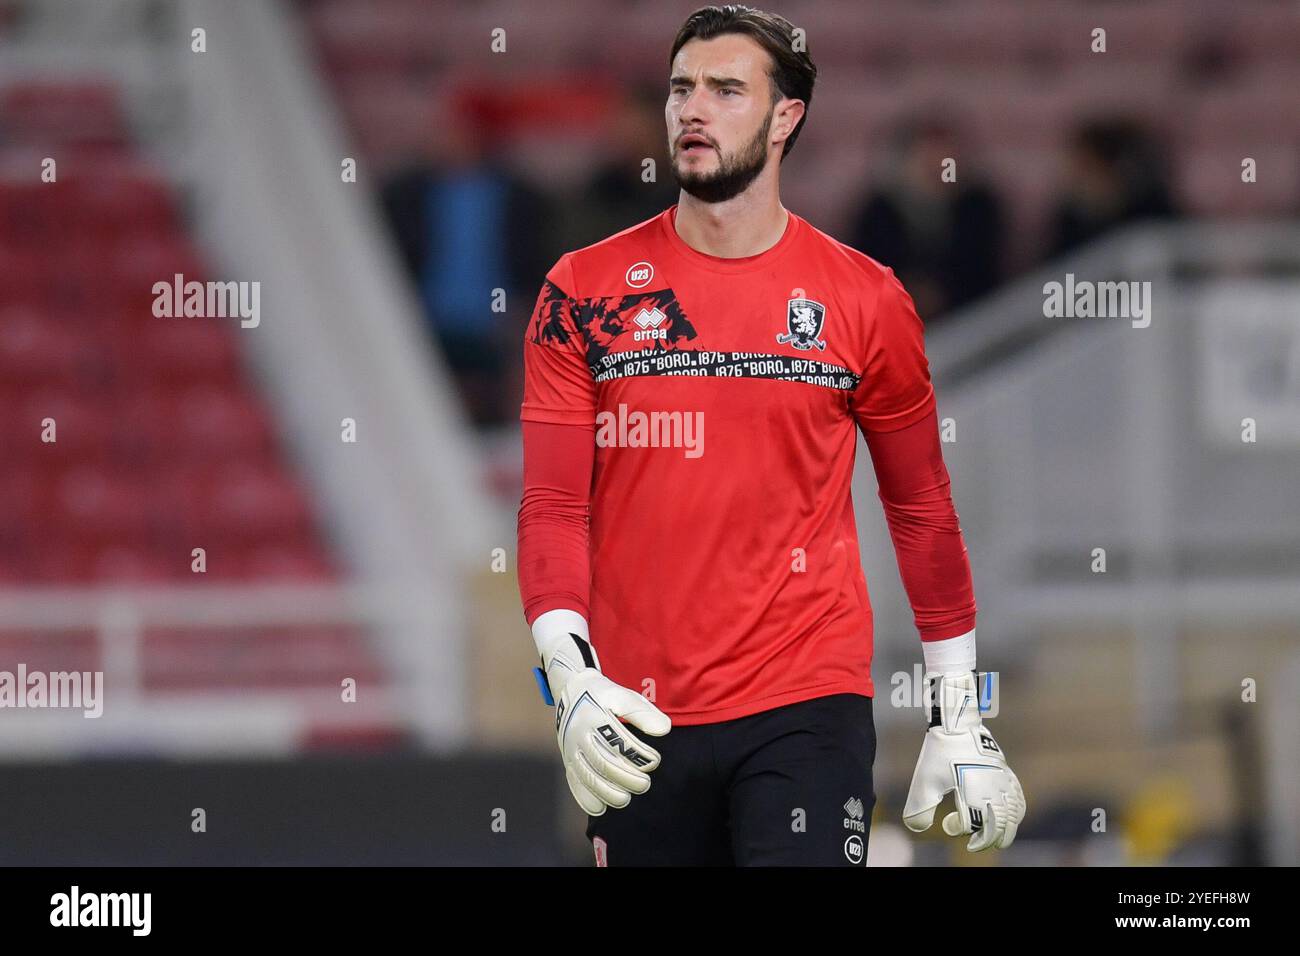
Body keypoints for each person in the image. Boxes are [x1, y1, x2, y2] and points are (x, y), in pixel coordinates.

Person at [515, 4, 1024, 866]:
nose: (692, 111)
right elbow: (553, 507)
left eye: (725, 89)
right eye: (681, 89)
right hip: (636, 715)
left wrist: (962, 713)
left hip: (806, 705)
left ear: (786, 116)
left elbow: (923, 511)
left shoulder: (866, 300)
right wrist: (568, 681)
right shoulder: (582, 291)